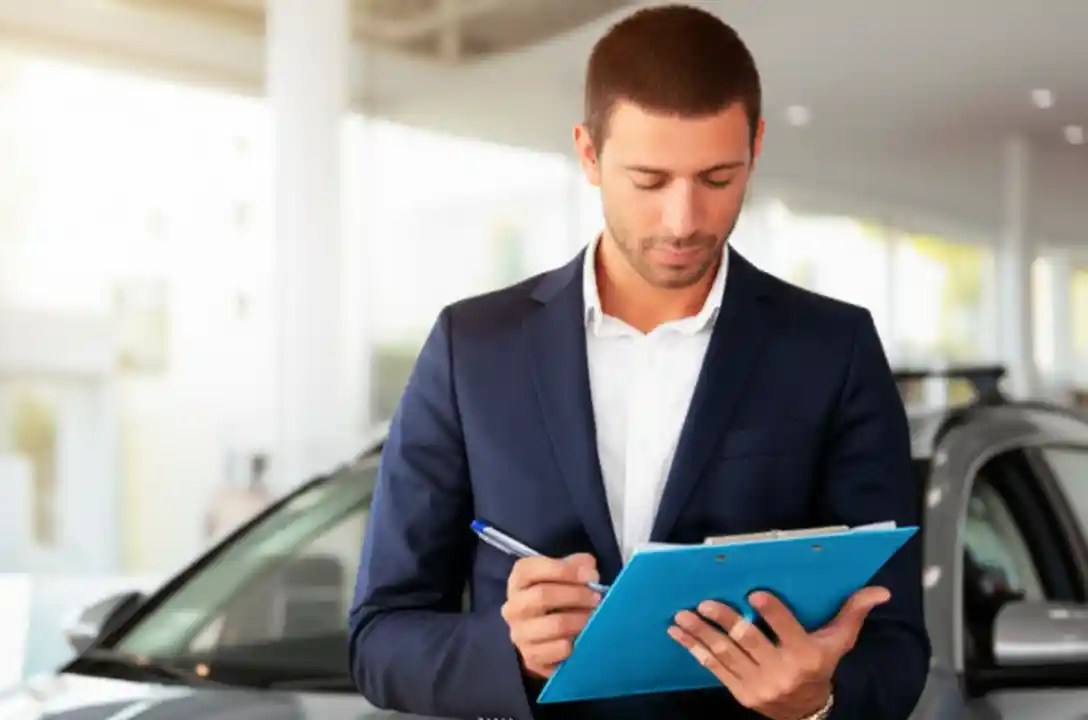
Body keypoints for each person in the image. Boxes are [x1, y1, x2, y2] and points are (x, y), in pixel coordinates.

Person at [348, 5, 930, 719]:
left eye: (718, 178)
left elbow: (897, 647)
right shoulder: (473, 349)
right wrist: (511, 652)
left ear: (757, 144)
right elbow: (379, 638)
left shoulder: (832, 350)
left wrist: (819, 697)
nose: (684, 220)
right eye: (649, 181)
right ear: (588, 155)